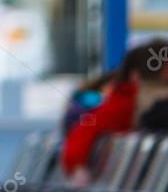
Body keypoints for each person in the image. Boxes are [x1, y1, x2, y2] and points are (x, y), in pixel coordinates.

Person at [61, 38, 168, 182]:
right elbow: (87, 129)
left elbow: (85, 129)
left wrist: (77, 165)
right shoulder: (128, 101)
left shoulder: (124, 98)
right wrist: (78, 166)